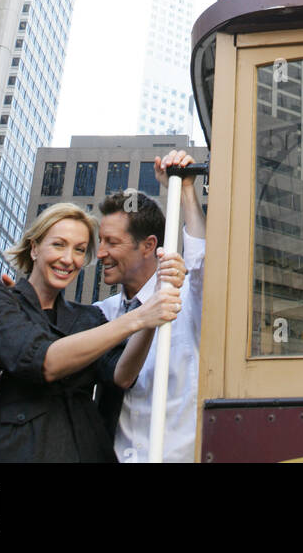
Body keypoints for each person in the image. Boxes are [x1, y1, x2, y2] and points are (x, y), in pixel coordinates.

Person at [0, 201, 182, 463]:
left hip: (84, 450)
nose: (68, 259)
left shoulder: (90, 317)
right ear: (35, 247)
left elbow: (122, 375)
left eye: (80, 250)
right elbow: (44, 361)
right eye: (59, 245)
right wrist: (138, 317)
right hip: (16, 452)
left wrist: (153, 307)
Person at [95, 148, 205, 463]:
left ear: (149, 246)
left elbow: (201, 261)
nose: (100, 253)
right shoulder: (102, 314)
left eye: (112, 242)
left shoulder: (187, 299)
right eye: (100, 241)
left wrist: (184, 189)